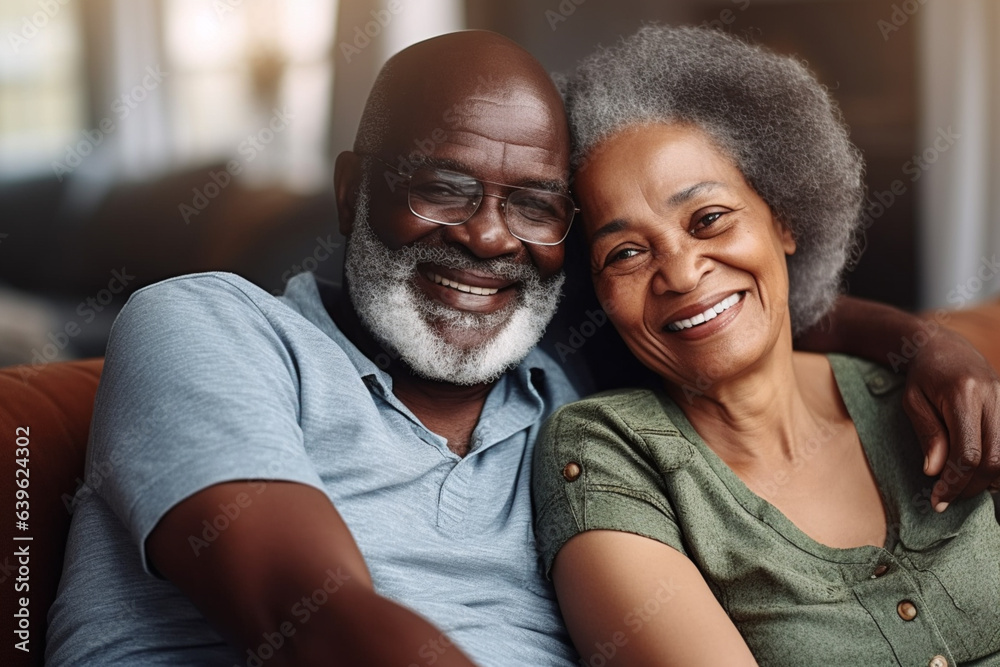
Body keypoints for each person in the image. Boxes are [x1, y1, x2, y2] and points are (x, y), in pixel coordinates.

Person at [45, 29, 999, 667]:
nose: (491, 239)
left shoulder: (564, 382)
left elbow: (730, 300)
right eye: (445, 186)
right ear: (350, 191)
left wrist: (927, 348)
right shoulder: (209, 328)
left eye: (535, 205)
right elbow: (310, 615)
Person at [533, 25, 1000, 667]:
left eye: (708, 219)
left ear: (783, 218)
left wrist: (931, 345)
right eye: (626, 253)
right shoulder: (608, 453)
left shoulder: (927, 404)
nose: (681, 273)